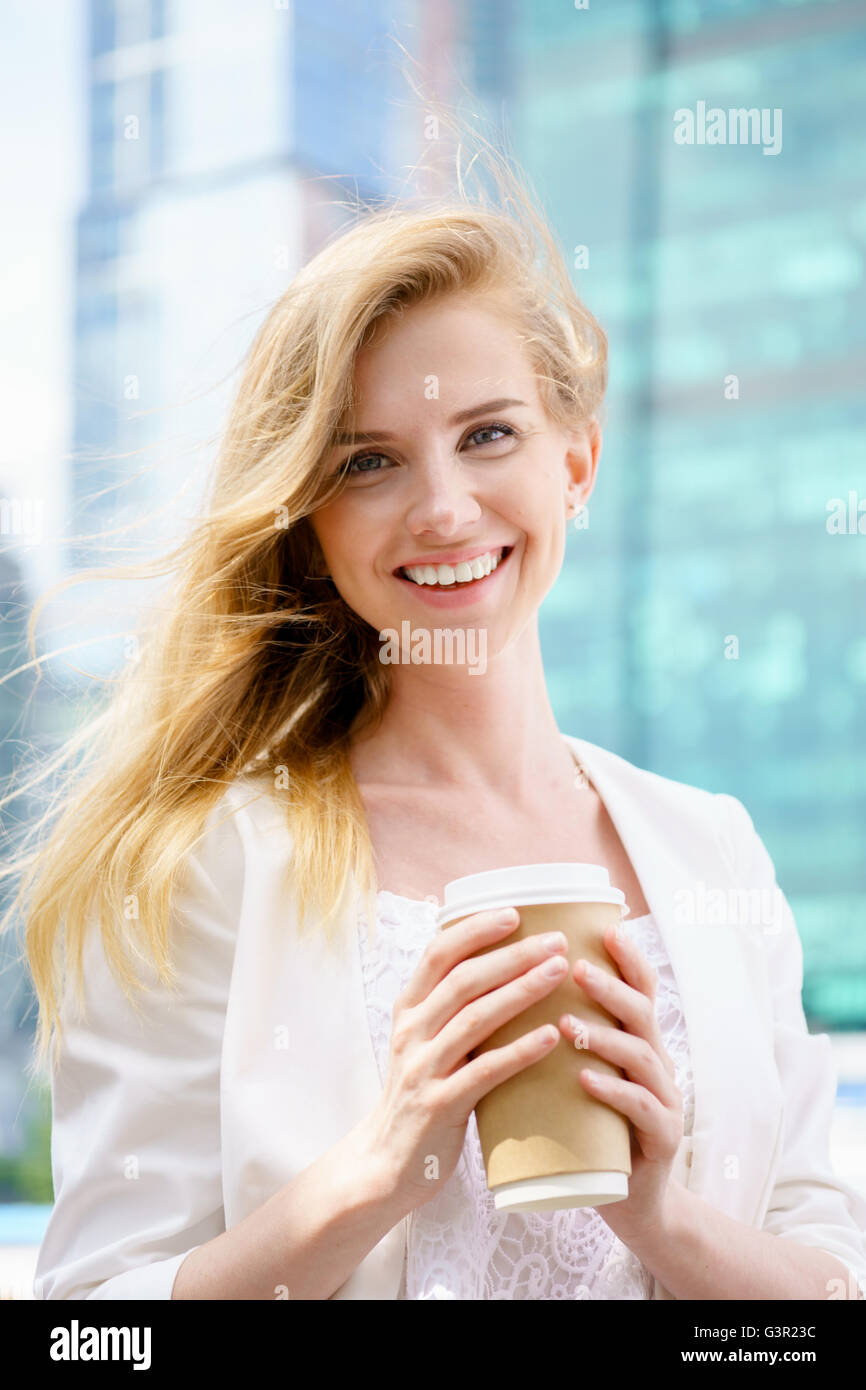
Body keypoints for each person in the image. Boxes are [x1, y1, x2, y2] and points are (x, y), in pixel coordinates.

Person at [14, 140, 866, 1301]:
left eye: (488, 434)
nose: (444, 508)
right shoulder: (202, 865)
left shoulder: (710, 850)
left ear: (578, 457)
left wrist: (665, 1221)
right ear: (310, 519)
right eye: (369, 461)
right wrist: (372, 1175)